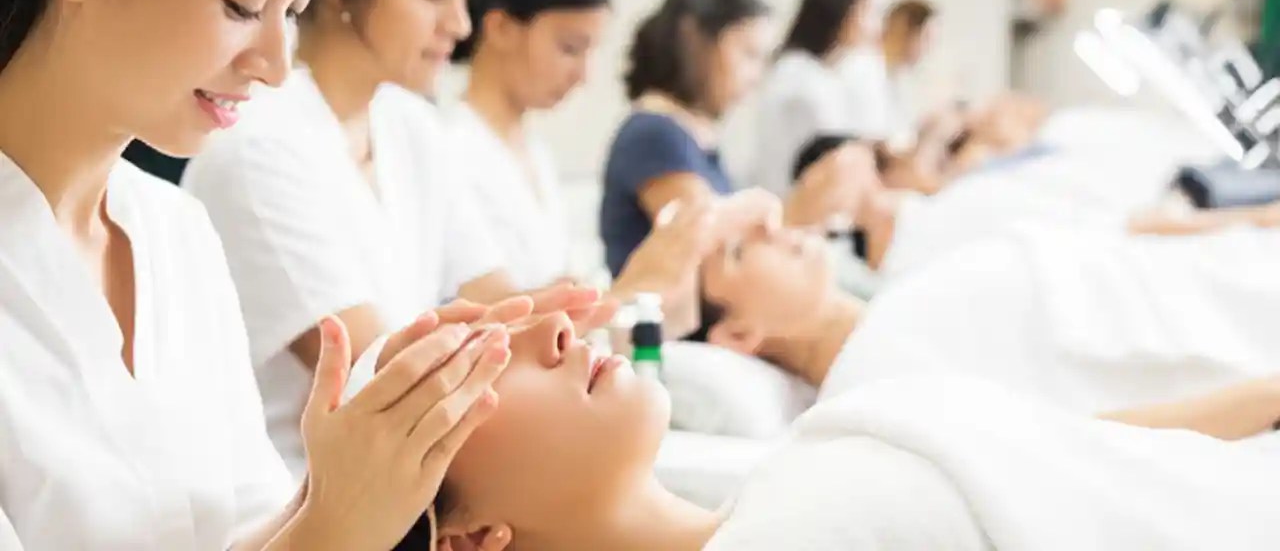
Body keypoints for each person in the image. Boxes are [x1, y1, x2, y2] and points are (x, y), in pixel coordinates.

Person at [0, 0, 522, 548]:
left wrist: (377, 510)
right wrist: (337, 527)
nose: (276, 65)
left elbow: (242, 532)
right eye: (244, 4)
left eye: (294, 9)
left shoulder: (174, 234)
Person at [182, 0, 702, 477]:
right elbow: (381, 379)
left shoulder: (409, 128)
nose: (460, 25)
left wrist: (620, 299)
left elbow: (506, 306)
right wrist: (628, 289)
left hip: (426, 472)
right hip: (316, 496)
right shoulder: (259, 147)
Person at [382, 313, 1280, 550]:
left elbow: (1067, 446)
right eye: (475, 370)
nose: (553, 331)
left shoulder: (783, 485)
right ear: (469, 539)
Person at [692, 208, 1280, 434]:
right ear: (739, 334)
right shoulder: (874, 388)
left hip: (1227, 271)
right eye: (739, 250)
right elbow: (1084, 440)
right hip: (1231, 339)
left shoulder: (908, 293)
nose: (771, 227)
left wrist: (1252, 219)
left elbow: (1112, 234)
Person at [599, 0, 876, 299]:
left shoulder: (693, 136)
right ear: (695, 43)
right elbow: (714, 252)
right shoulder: (654, 134)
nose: (757, 77)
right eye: (749, 55)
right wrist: (799, 213)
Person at [446, 0, 610, 289]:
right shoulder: (448, 147)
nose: (583, 75)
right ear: (501, 28)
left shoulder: (534, 151)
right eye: (569, 48)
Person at [752, 0, 887, 197]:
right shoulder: (799, 80)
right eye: (871, 11)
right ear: (841, 8)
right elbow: (838, 162)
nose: (877, 26)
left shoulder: (829, 74)